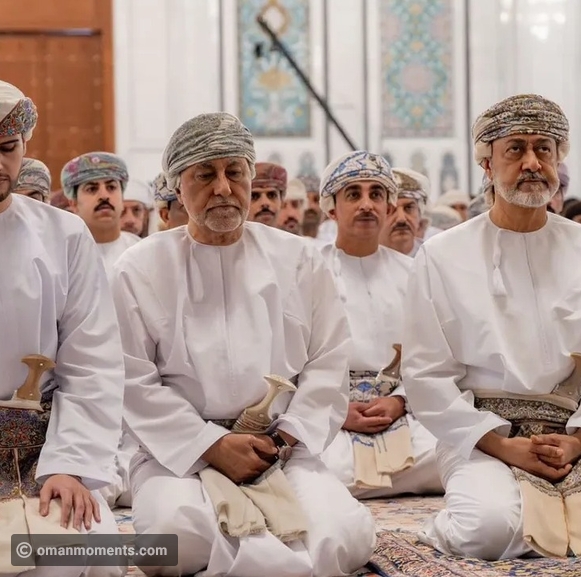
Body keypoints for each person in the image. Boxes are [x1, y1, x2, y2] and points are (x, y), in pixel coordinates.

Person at [111, 112, 376, 577]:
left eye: (234, 172)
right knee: (172, 541)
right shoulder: (138, 268)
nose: (222, 188)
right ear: (177, 186)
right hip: (179, 455)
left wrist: (288, 435)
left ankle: (266, 560)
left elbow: (328, 361)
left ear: (250, 177)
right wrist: (211, 444)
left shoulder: (299, 260)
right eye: (204, 175)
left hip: (279, 447)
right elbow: (132, 379)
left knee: (345, 535)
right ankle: (284, 563)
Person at [402, 93, 581, 561]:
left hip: (575, 432)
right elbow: (426, 374)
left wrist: (580, 439)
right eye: (515, 149)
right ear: (487, 163)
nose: (531, 163)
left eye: (543, 149)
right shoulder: (443, 255)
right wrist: (503, 445)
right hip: (480, 434)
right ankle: (448, 522)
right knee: (486, 529)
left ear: (558, 159)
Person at [0, 80, 126, 577]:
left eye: (7, 149)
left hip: (44, 451)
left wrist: (68, 465)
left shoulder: (64, 234)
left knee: (90, 557)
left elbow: (91, 363)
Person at [317, 151, 441, 498]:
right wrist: (338, 409)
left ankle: (370, 483)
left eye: (376, 194)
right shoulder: (311, 271)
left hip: (400, 413)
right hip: (335, 416)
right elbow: (293, 358)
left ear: (389, 206)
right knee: (319, 469)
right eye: (353, 195)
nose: (366, 204)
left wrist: (400, 401)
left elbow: (431, 355)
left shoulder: (413, 273)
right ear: (331, 208)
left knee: (450, 455)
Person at [61, 152, 140, 270]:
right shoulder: (62, 256)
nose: (104, 196)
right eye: (92, 189)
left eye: (111, 187)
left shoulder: (140, 251)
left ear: (122, 199)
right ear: (74, 204)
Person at [379, 167, 430, 257]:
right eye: (391, 209)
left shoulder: (433, 258)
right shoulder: (360, 260)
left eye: (408, 208)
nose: (401, 219)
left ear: (419, 215)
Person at [248, 161, 286, 226]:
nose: (265, 203)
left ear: (282, 202)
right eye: (254, 196)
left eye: (272, 195)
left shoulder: (290, 236)